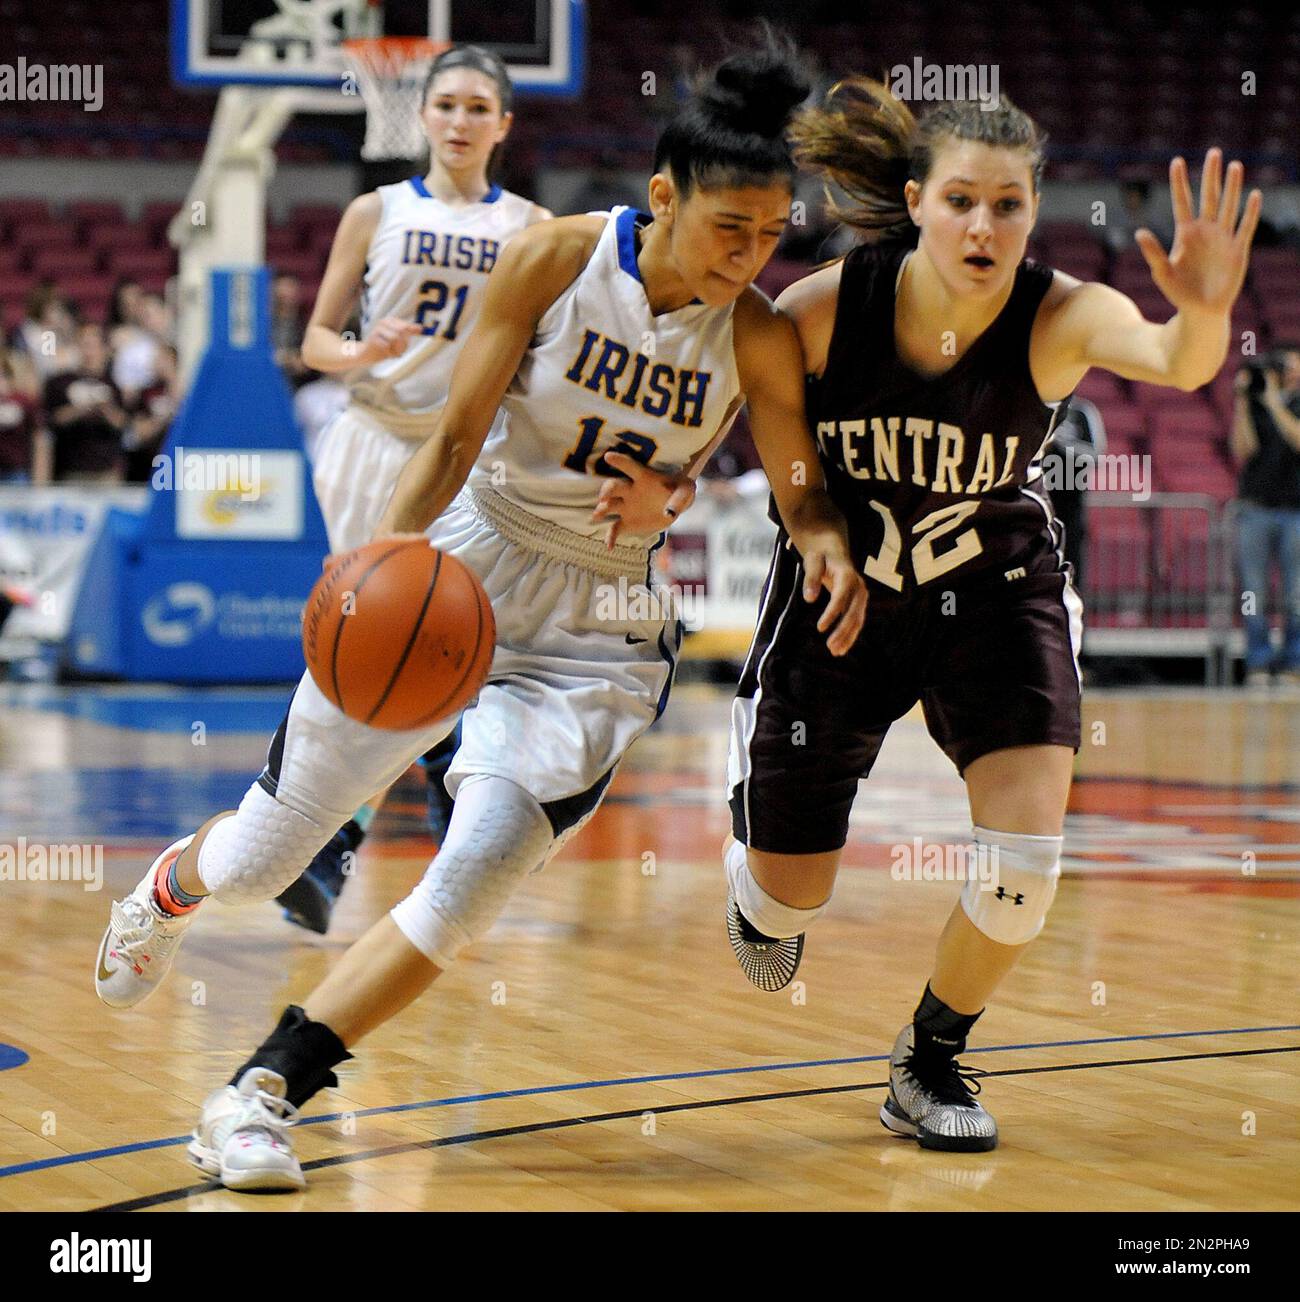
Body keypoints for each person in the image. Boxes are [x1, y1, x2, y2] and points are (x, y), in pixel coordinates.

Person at [92, 37, 867, 1193]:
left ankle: (261, 1091)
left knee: (478, 870)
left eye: (770, 235)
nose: (751, 256)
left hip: (599, 617)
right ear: (662, 199)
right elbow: (457, 434)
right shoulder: (555, 259)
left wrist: (813, 540)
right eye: (729, 230)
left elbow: (795, 479)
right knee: (264, 859)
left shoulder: (753, 330)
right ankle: (169, 889)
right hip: (470, 558)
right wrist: (391, 554)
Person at [722, 77, 1260, 1153]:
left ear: (1033, 212)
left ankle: (929, 1056)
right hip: (847, 591)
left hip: (992, 588)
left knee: (1022, 869)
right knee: (786, 907)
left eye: (1008, 204)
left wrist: (1203, 310)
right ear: (915, 201)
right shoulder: (824, 307)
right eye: (962, 200)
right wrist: (815, 526)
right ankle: (759, 888)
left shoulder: (1058, 313)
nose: (985, 225)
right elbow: (782, 451)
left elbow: (1172, 360)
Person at [274, 45, 553, 933]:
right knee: (369, 643)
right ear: (420, 116)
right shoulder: (375, 209)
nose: (462, 121)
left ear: (503, 123)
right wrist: (361, 351)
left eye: (480, 107)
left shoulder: (535, 226)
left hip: (473, 451)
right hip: (372, 442)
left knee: (460, 649)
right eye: (448, 106)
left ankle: (419, 820)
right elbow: (315, 341)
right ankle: (322, 840)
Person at [1229, 344, 1300, 685]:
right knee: (1252, 593)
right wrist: (1243, 402)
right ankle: (1258, 661)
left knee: (1296, 592)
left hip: (1295, 511)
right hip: (1255, 509)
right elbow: (1243, 449)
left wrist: (1275, 402)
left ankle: (1292, 664)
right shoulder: (1254, 406)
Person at [43, 321, 128, 482]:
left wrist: (105, 409)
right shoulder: (60, 382)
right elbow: (51, 420)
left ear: (103, 349)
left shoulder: (113, 384)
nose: (89, 351)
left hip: (105, 470)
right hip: (70, 469)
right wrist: (81, 409)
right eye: (84, 345)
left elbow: (123, 424)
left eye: (93, 346)